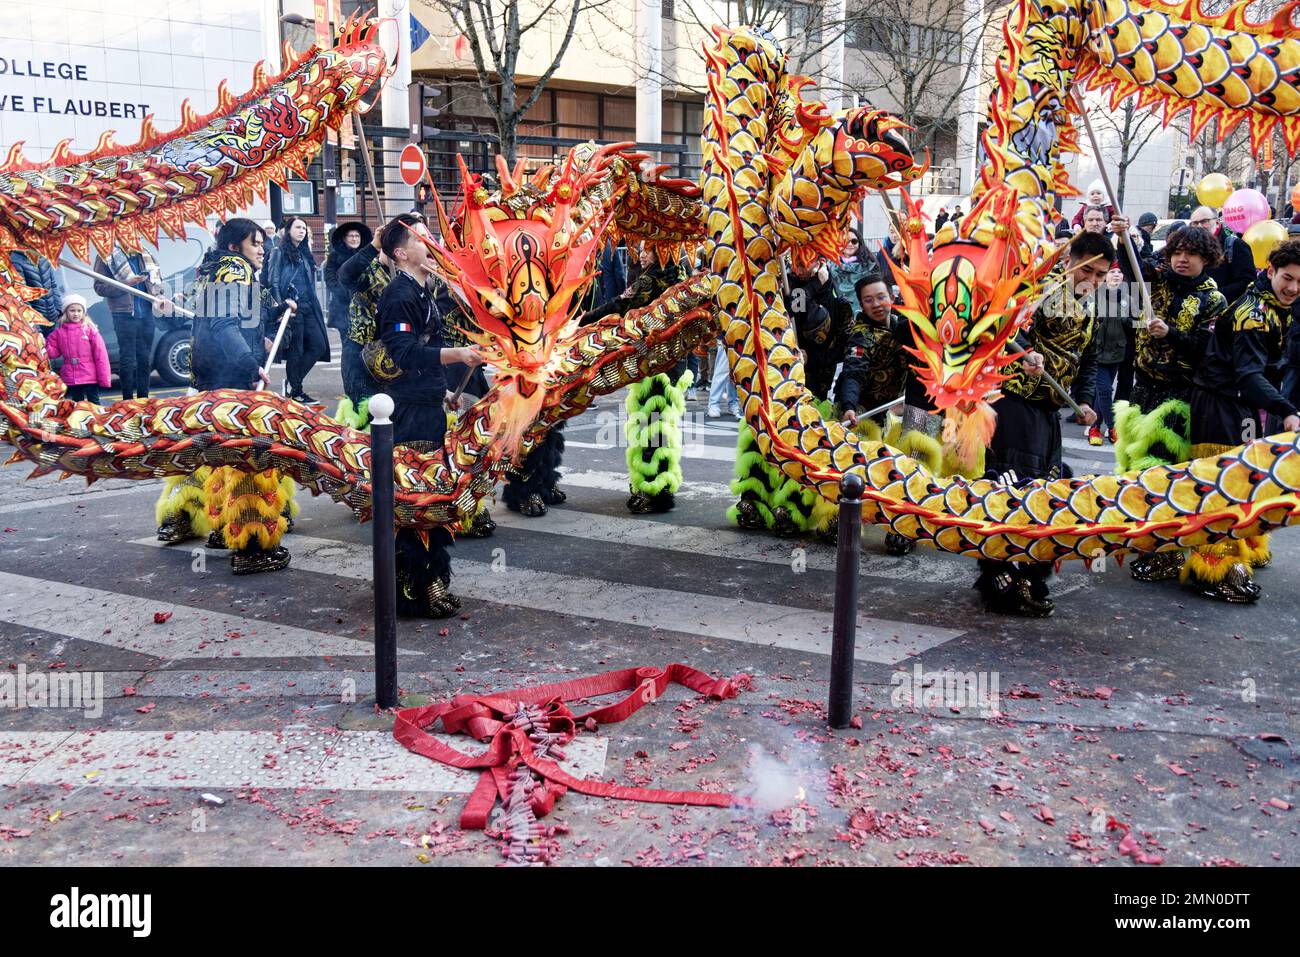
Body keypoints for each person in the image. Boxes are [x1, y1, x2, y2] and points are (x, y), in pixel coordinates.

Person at [973, 231, 1108, 617]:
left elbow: (1089, 363)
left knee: (1045, 491)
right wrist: (1025, 351)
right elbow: (998, 328)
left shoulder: (1092, 308)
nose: (1094, 282)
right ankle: (999, 578)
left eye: (1101, 276)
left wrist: (1085, 401)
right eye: (1089, 271)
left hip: (1050, 413)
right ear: (1071, 261)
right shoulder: (1037, 290)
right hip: (1014, 404)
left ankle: (1032, 575)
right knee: (1010, 489)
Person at [154, 218, 298, 574]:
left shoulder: (215, 269)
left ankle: (220, 528)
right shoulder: (234, 270)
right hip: (230, 378)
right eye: (255, 244)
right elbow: (224, 323)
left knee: (218, 455)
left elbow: (240, 315)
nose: (262, 250)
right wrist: (250, 364)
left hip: (213, 376)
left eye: (263, 244)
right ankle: (250, 547)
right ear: (235, 247)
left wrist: (276, 314)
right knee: (247, 460)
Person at [1109, 215, 1228, 582]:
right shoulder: (1155, 282)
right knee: (1137, 470)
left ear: (1206, 259)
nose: (1183, 259)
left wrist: (1172, 333)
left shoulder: (1214, 300)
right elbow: (1131, 264)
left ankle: (1170, 551)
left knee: (1169, 476)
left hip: (1181, 396)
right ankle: (1144, 538)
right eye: (1177, 251)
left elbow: (1211, 353)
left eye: (1192, 253)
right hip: (1144, 388)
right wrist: (1121, 234)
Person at [1182, 241, 1300, 602]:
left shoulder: (1280, 305)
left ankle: (1245, 544)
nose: (1293, 287)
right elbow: (1250, 373)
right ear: (1270, 272)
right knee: (1223, 485)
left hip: (1240, 404)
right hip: (1219, 403)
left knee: (1245, 478)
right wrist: (1287, 410)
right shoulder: (1254, 312)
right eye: (1287, 278)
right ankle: (1212, 566)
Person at [377, 216, 481, 618]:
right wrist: (458, 355)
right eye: (424, 238)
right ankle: (413, 587)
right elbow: (402, 354)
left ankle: (433, 582)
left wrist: (443, 391)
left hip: (427, 403)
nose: (433, 243)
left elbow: (424, 352)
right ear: (402, 253)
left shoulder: (424, 291)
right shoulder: (398, 295)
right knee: (415, 500)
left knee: (433, 494)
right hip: (407, 413)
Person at [266, 216, 331, 403]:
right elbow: (274, 282)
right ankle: (296, 390)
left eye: (304, 228)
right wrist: (281, 307)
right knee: (297, 350)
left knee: (318, 345)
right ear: (288, 231)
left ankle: (293, 383)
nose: (301, 231)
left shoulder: (304, 253)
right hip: (291, 307)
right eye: (297, 227)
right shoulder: (279, 251)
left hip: (309, 306)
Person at [94, 244, 162, 400]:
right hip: (123, 314)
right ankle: (127, 400)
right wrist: (126, 285)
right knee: (127, 358)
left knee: (144, 358)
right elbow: (99, 288)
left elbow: (157, 281)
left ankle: (144, 399)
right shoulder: (106, 254)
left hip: (146, 312)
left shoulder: (145, 253)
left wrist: (160, 296)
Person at [324, 221, 373, 417]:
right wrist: (351, 293)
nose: (354, 239)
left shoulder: (368, 257)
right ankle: (352, 393)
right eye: (350, 236)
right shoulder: (334, 259)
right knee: (350, 355)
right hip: (344, 312)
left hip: (365, 314)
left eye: (357, 236)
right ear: (344, 238)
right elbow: (332, 283)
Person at [787, 257, 853, 402]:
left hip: (822, 368)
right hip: (794, 363)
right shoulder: (792, 283)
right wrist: (815, 284)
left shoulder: (832, 292)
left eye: (803, 265)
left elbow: (839, 342)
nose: (798, 271)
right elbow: (793, 308)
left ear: (819, 262)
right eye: (794, 265)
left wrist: (811, 357)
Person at [1089, 267, 1131, 445]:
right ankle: (1113, 428)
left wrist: (1125, 319)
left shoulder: (1128, 298)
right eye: (1112, 271)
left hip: (1116, 351)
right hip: (1096, 351)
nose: (1116, 275)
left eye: (1119, 272)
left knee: (1102, 393)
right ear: (1105, 275)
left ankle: (1095, 427)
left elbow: (1134, 322)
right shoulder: (1094, 294)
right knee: (1105, 390)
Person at [45, 294, 110, 403]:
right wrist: (45, 343)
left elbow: (100, 354)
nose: (76, 314)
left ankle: (97, 420)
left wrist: (104, 377)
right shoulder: (59, 332)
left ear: (83, 313)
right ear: (66, 312)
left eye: (79, 311)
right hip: (71, 375)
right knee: (77, 403)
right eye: (72, 310)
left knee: (94, 402)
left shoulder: (89, 330)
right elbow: (53, 354)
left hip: (89, 374)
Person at [1189, 205, 1256, 303]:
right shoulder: (1190, 246)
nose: (1199, 226)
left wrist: (1213, 296)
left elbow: (1247, 282)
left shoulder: (1235, 245)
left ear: (1216, 222)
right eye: (1195, 223)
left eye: (1204, 221)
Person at [9, 249, 64, 325]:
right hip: (34, 321)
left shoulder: (44, 257)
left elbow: (53, 285)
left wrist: (58, 310)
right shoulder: (15, 260)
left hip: (53, 317)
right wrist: (32, 322)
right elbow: (21, 296)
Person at [829, 226, 875, 304]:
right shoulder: (830, 265)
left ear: (859, 243)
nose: (850, 244)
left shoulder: (869, 265)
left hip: (865, 310)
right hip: (841, 311)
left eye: (854, 241)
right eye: (846, 241)